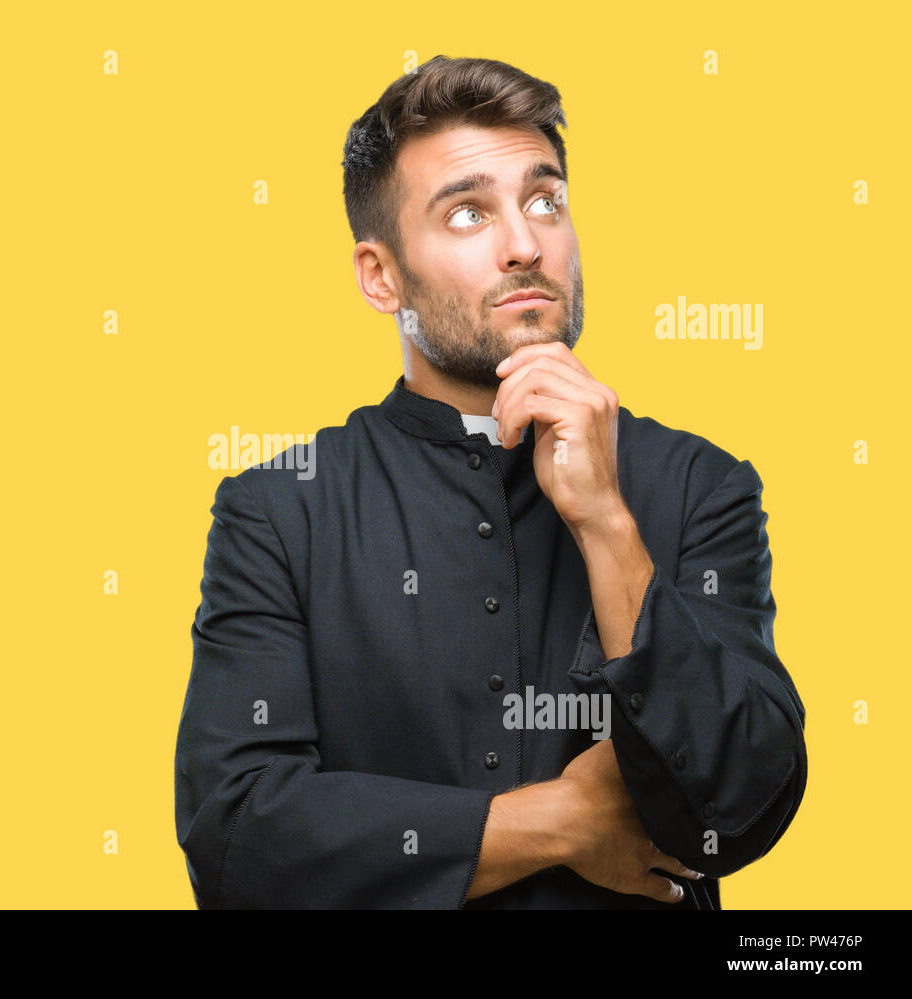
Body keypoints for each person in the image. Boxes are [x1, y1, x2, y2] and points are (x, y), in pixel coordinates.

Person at [174, 55, 806, 909]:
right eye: (468, 214)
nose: (525, 244)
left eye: (545, 201)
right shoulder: (283, 510)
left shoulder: (699, 486)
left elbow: (740, 805)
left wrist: (608, 525)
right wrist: (555, 822)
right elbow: (237, 837)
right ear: (380, 275)